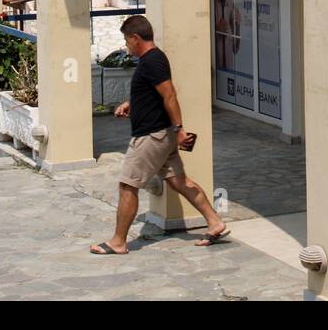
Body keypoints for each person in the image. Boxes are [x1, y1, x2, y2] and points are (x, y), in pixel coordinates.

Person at [90, 15, 230, 254]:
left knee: (127, 185)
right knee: (180, 182)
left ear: (136, 38)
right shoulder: (152, 60)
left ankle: (118, 242)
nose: (126, 46)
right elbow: (153, 93)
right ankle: (215, 223)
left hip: (151, 136)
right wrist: (131, 103)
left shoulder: (152, 61)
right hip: (160, 134)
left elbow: (169, 95)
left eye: (126, 40)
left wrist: (179, 129)